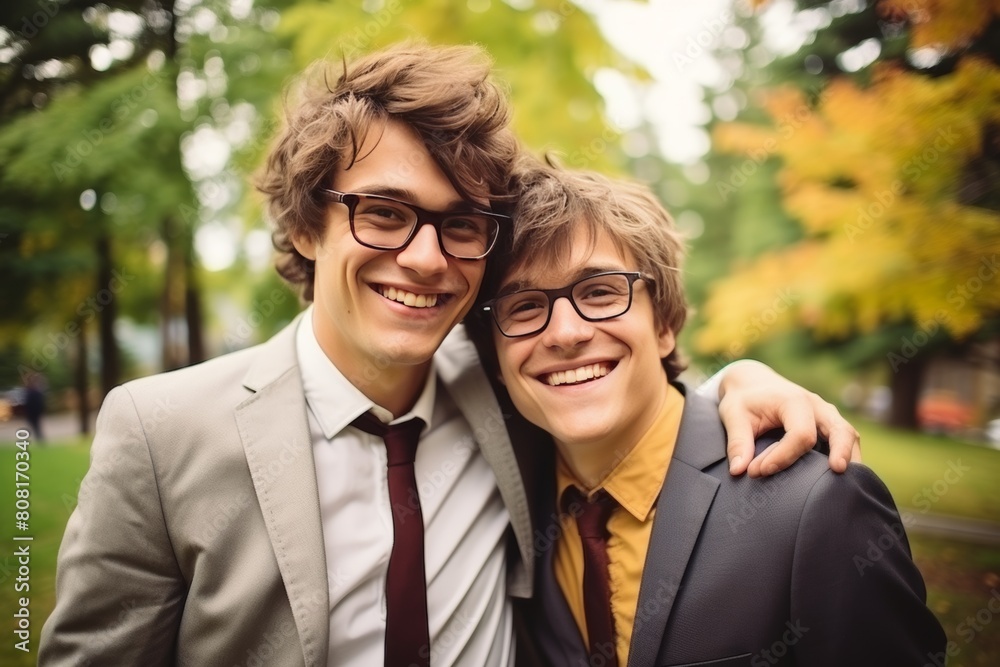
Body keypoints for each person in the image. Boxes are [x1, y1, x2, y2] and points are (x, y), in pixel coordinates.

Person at [39, 43, 861, 666]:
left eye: (460, 224)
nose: (427, 258)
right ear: (303, 225)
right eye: (385, 213)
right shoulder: (160, 431)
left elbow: (610, 378)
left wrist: (734, 386)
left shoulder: (501, 393)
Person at [470, 162, 946, 666]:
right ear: (495, 361)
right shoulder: (506, 508)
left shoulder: (816, 503)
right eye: (522, 306)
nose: (565, 333)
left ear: (664, 324)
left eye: (600, 292)